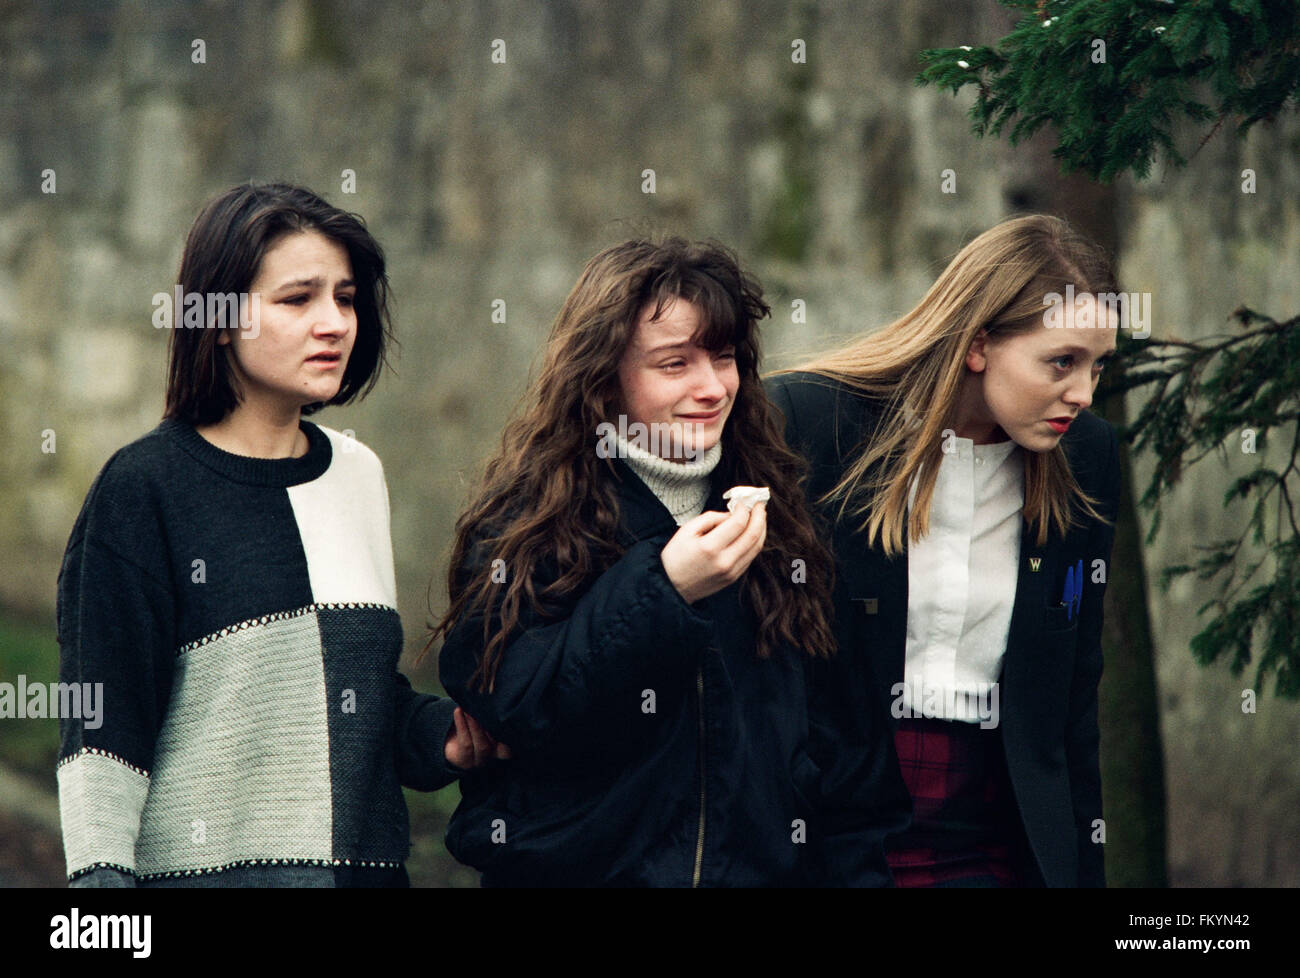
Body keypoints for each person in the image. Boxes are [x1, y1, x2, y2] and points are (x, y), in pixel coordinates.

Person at [55, 182, 503, 888]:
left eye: (346, 298)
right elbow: (102, 734)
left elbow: (352, 702)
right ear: (221, 317)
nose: (334, 323)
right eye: (298, 299)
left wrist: (443, 736)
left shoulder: (359, 474)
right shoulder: (143, 488)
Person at [430, 236, 898, 886]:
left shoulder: (782, 518)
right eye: (675, 364)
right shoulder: (529, 519)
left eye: (725, 357)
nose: (712, 388)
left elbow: (847, 758)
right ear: (604, 376)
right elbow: (514, 704)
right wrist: (665, 589)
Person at [766, 214, 1122, 887]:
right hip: (828, 834)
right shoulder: (809, 421)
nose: (1083, 393)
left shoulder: (1088, 456)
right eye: (1062, 361)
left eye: (1098, 366)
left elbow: (1072, 702)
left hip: (995, 837)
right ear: (979, 343)